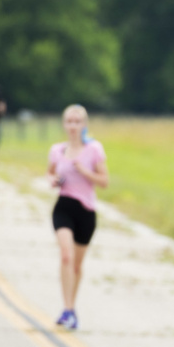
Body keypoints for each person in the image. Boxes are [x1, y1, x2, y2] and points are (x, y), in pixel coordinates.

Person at [47, 105, 109, 330]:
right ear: (64, 125)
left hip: (86, 211)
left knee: (76, 265)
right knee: (66, 256)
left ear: (84, 125)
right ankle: (67, 309)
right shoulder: (57, 150)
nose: (72, 126)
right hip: (64, 206)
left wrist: (85, 172)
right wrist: (53, 180)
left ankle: (72, 307)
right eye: (69, 122)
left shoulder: (93, 149)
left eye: (77, 122)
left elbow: (104, 182)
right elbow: (51, 172)